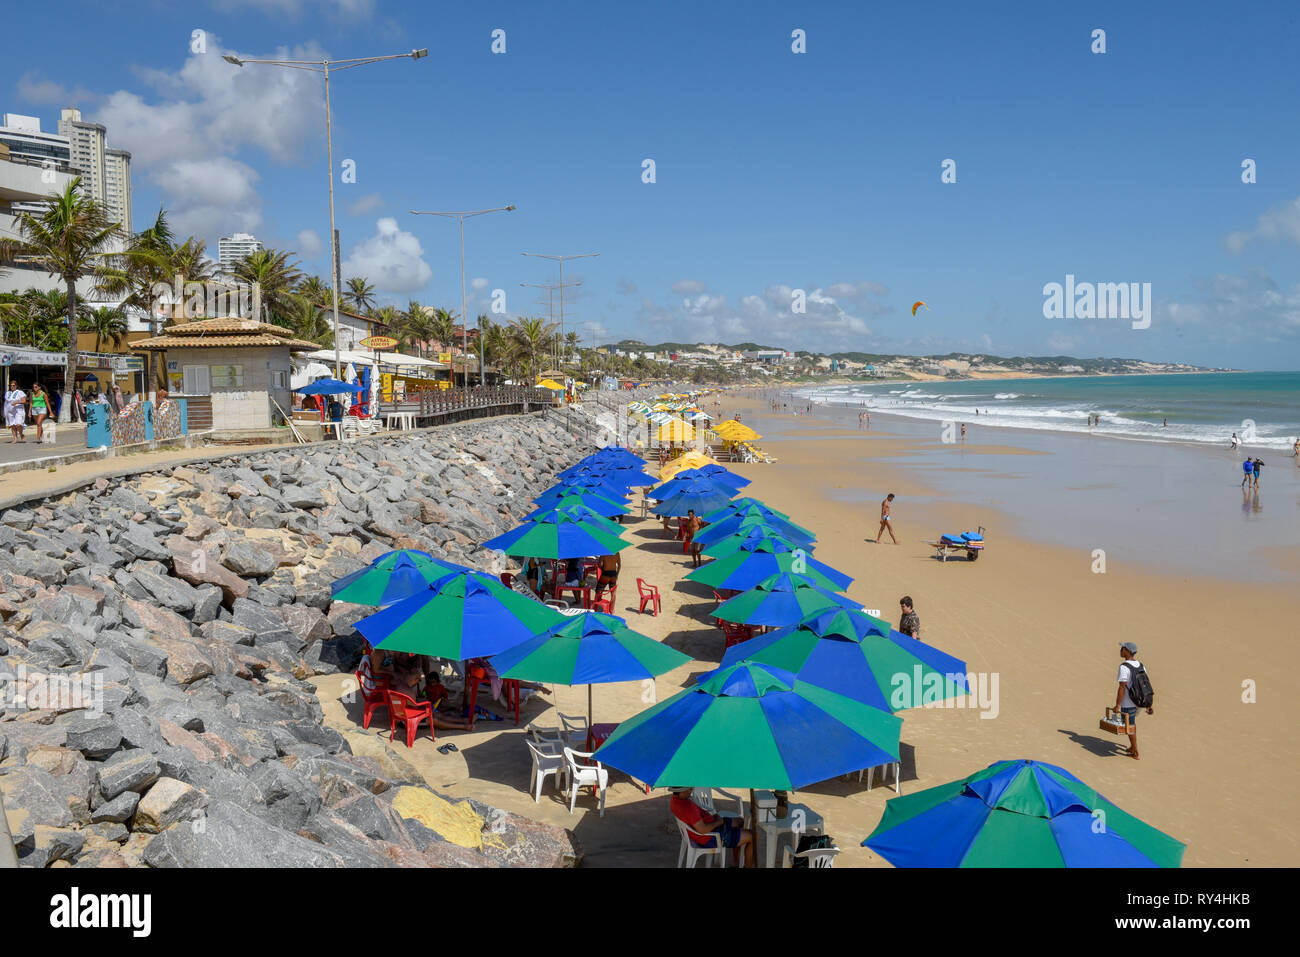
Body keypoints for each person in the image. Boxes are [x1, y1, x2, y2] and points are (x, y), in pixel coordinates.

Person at [669, 788, 754, 867]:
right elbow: (703, 829)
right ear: (680, 791)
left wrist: (715, 816)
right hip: (711, 836)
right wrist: (718, 822)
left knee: (740, 822)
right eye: (688, 789)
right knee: (753, 836)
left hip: (710, 826)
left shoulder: (674, 800)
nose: (691, 791)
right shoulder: (688, 808)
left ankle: (735, 862)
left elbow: (700, 817)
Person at [1114, 641, 1154, 760]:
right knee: (1132, 724)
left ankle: (1135, 751)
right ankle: (1132, 747)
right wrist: (1148, 704)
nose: (1120, 650)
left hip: (1129, 702)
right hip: (1140, 701)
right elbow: (1145, 685)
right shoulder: (1141, 665)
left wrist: (1118, 705)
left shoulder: (1124, 667)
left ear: (1128, 651)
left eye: (1123, 648)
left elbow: (1122, 687)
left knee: (1129, 726)